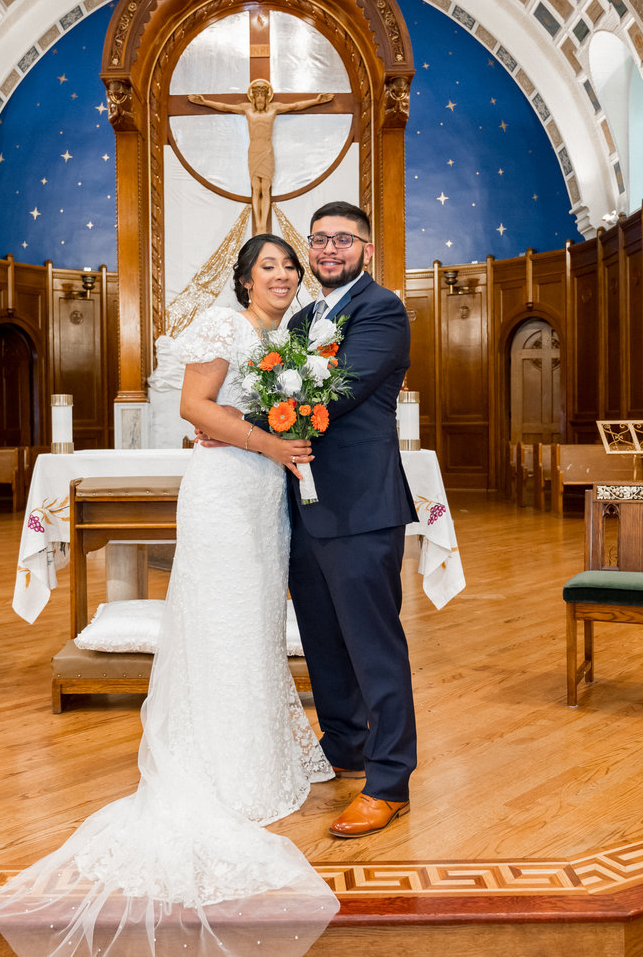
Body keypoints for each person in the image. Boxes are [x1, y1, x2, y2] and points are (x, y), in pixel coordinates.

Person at [0, 234, 337, 957]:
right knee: (219, 619)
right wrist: (272, 444)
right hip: (224, 491)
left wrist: (289, 435)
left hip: (263, 495)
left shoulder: (289, 342)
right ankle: (215, 761)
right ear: (244, 280)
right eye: (268, 267)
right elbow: (194, 406)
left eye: (289, 267)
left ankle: (254, 752)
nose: (282, 275)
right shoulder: (224, 328)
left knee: (253, 622)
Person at [285, 201, 419, 839]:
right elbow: (278, 382)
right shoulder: (307, 316)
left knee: (374, 644)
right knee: (323, 639)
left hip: (361, 505)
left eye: (343, 239)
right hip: (306, 505)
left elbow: (338, 390)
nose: (329, 250)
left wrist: (239, 428)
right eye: (319, 241)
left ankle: (389, 780)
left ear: (368, 248)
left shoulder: (382, 309)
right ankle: (344, 747)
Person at [188, 81, 333, 235]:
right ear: (253, 99)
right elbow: (224, 107)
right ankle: (258, 225)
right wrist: (204, 102)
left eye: (262, 98)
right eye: (257, 99)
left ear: (266, 99)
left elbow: (295, 106)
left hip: (267, 150)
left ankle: (263, 226)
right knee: (256, 188)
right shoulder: (247, 109)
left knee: (266, 188)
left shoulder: (274, 108)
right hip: (254, 151)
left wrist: (317, 101)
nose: (259, 101)